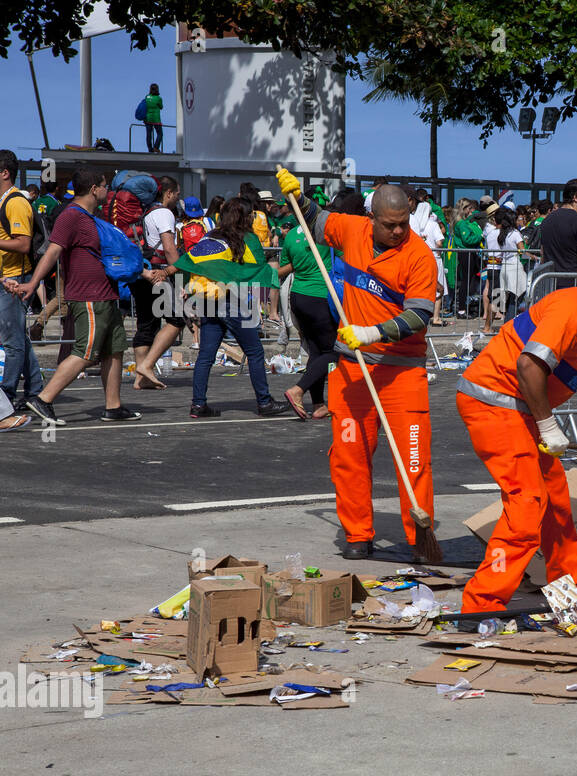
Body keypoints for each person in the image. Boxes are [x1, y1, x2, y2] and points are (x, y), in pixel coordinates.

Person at [456, 258, 577, 613]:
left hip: (520, 409)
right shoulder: (575, 308)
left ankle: (570, 587)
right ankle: (481, 604)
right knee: (527, 503)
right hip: (493, 401)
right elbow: (528, 365)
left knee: (556, 501)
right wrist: (548, 425)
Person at [277, 169, 440, 561]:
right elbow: (313, 219)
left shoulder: (419, 257)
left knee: (413, 461)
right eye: (390, 225)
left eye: (403, 224)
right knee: (348, 455)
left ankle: (419, 538)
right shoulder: (352, 230)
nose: (399, 232)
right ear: (373, 219)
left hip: (402, 373)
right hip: (353, 371)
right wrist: (295, 195)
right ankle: (357, 533)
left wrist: (372, 333)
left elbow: (419, 316)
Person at [7, 167, 140, 425]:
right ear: (94, 189)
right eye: (105, 185)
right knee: (87, 351)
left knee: (114, 350)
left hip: (106, 295)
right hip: (88, 297)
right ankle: (42, 399)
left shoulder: (91, 217)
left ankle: (113, 406)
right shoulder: (71, 216)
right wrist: (33, 284)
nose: (107, 190)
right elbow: (53, 252)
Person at [147, 197, 290, 420]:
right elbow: (259, 272)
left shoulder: (210, 237)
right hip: (233, 301)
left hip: (208, 300)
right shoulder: (248, 239)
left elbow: (189, 259)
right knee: (254, 352)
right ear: (245, 217)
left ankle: (198, 405)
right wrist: (291, 269)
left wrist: (165, 272)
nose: (253, 217)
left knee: (205, 355)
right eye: (251, 214)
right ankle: (264, 402)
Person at [278, 201, 338, 421]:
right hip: (319, 295)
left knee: (316, 351)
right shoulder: (325, 232)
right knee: (333, 351)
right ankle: (298, 389)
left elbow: (288, 265)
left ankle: (319, 404)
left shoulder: (291, 235)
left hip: (299, 296)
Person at [127, 175, 183, 389]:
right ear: (168, 193)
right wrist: (178, 276)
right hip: (159, 273)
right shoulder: (163, 213)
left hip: (143, 272)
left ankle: (141, 379)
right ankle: (147, 366)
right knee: (177, 319)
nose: (178, 198)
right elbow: (168, 247)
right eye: (177, 194)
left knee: (146, 323)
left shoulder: (147, 212)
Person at [0, 149, 44, 412]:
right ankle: (35, 390)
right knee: (17, 338)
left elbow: (23, 244)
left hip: (16, 277)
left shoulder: (15, 202)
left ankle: (5, 395)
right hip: (8, 276)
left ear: (4, 173)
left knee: (12, 340)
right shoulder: (5, 201)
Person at [538, 178, 577, 291]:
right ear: (575, 197)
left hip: (550, 286)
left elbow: (543, 254)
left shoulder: (547, 221)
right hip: (573, 286)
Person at [144, 83, 164, 153]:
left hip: (147, 118)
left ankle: (150, 149)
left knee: (148, 134)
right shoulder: (158, 98)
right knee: (160, 134)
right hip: (156, 119)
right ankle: (156, 147)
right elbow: (161, 107)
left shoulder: (147, 97)